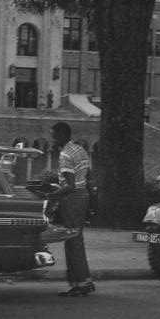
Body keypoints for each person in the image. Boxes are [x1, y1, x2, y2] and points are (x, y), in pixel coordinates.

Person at [48, 121, 95, 296]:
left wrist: (53, 194)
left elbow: (70, 185)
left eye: (53, 136)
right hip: (83, 197)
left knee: (72, 240)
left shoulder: (65, 155)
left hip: (72, 199)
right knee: (77, 239)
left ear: (61, 136)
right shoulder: (80, 149)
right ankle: (85, 280)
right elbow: (87, 176)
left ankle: (80, 283)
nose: (52, 139)